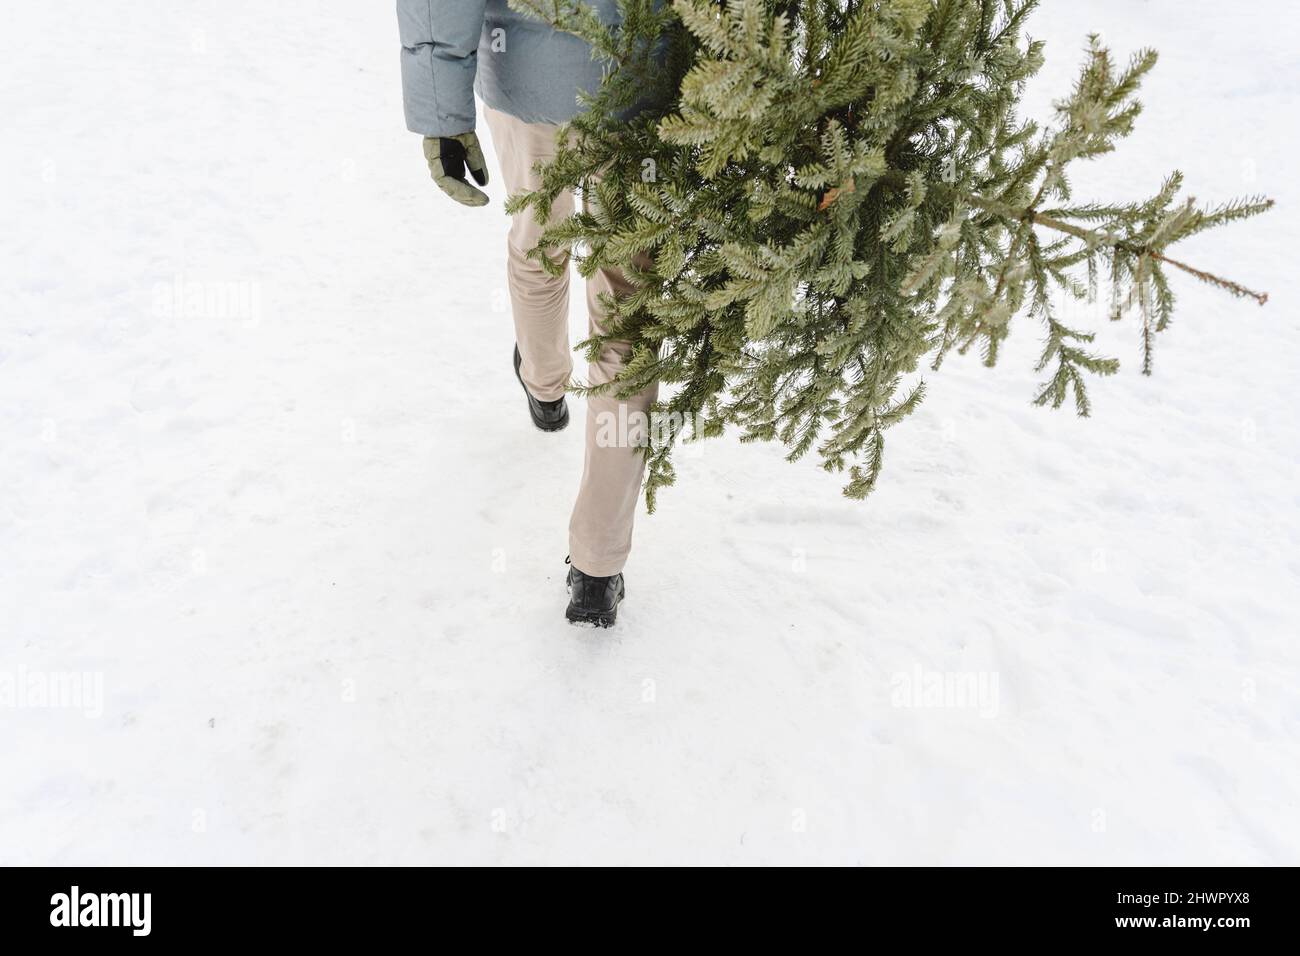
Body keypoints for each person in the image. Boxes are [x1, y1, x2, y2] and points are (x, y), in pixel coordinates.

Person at [396, 1, 655, 627]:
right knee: (627, 305)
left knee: (540, 240)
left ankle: (543, 383)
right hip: (644, 77)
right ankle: (597, 565)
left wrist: (441, 113)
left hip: (526, 77)